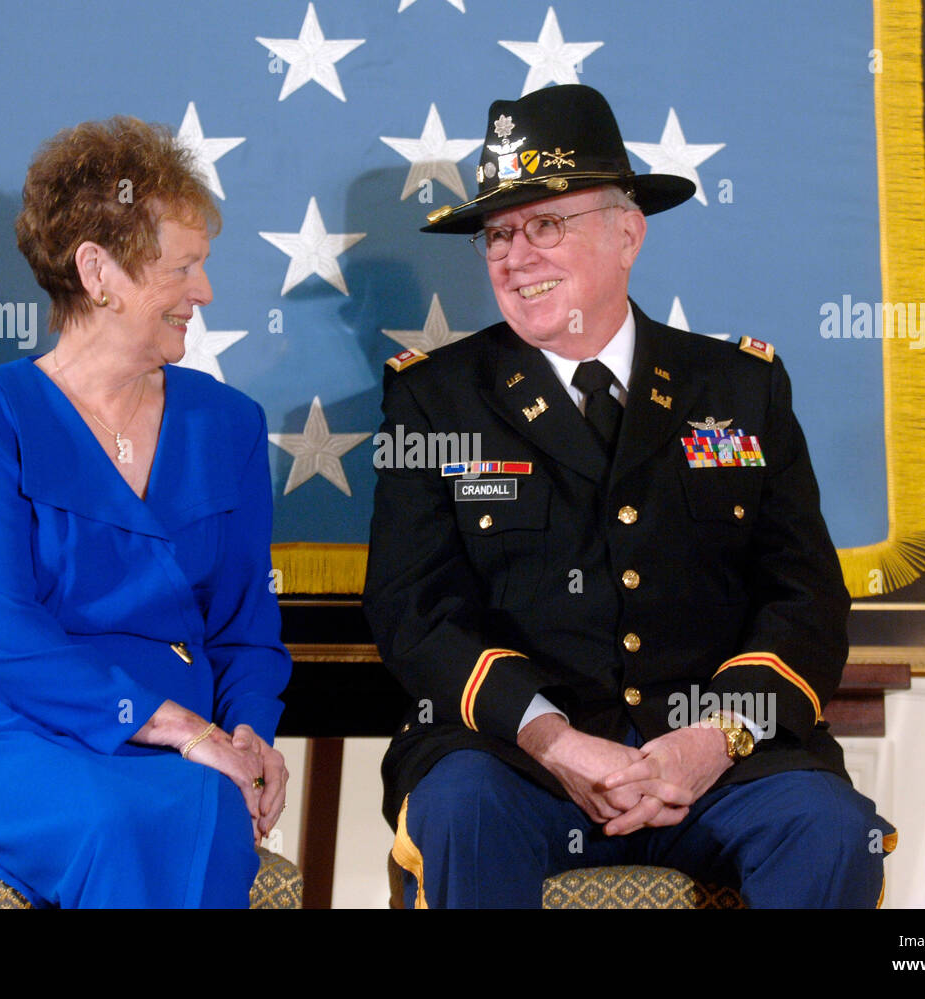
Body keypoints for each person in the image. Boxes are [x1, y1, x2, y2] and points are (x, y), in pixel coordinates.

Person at [364, 85, 895, 908]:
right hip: (516, 761)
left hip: (723, 762)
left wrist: (714, 738)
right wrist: (555, 738)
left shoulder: (739, 388)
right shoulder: (438, 399)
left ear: (628, 232)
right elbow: (413, 609)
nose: (515, 255)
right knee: (460, 807)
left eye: (546, 224)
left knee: (827, 826)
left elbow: (805, 597)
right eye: (498, 235)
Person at [0, 116, 291, 908]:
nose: (205, 292)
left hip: (181, 755)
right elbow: (0, 630)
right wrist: (184, 729)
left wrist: (249, 731)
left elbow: (247, 624)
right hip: (6, 733)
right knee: (119, 817)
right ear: (98, 269)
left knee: (203, 805)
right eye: (183, 267)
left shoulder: (230, 424)